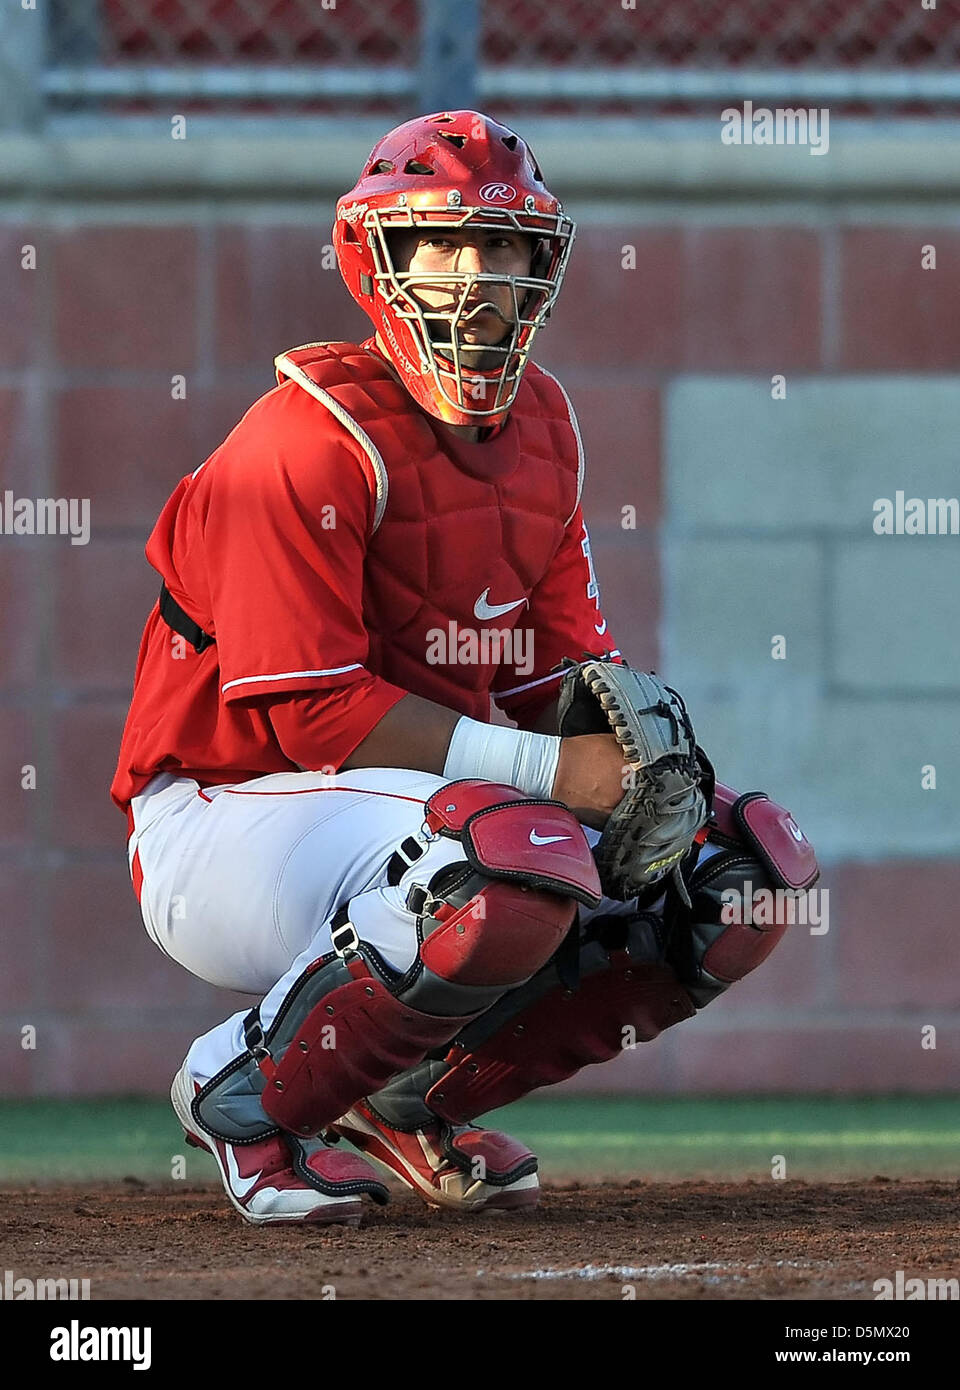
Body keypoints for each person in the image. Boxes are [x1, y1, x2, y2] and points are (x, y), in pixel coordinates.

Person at [111, 110, 816, 1226]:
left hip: (427, 806)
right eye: (443, 245)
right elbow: (312, 715)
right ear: (376, 260)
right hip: (220, 813)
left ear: (543, 264)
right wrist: (551, 769)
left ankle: (394, 1095)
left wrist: (640, 768)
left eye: (504, 246)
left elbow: (559, 676)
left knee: (742, 873)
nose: (477, 275)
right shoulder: (300, 440)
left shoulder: (543, 429)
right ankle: (242, 1096)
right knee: (507, 850)